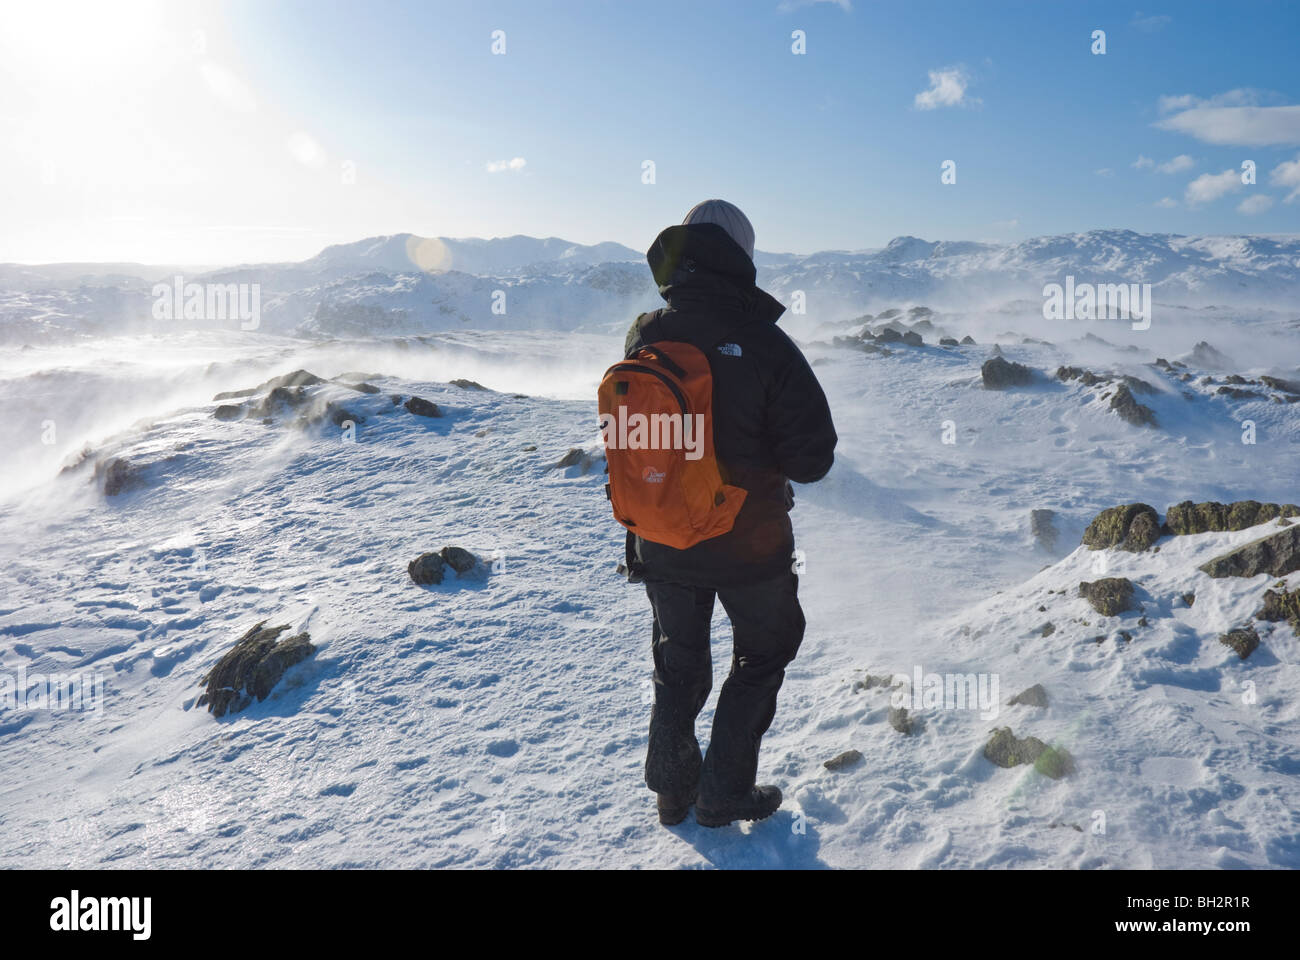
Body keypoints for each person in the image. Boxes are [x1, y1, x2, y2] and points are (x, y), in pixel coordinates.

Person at [619, 199, 838, 828]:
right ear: (742, 256)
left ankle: (672, 790)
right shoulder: (766, 342)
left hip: (659, 533)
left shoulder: (646, 333)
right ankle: (723, 793)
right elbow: (812, 459)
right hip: (748, 541)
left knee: (678, 662)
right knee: (765, 653)